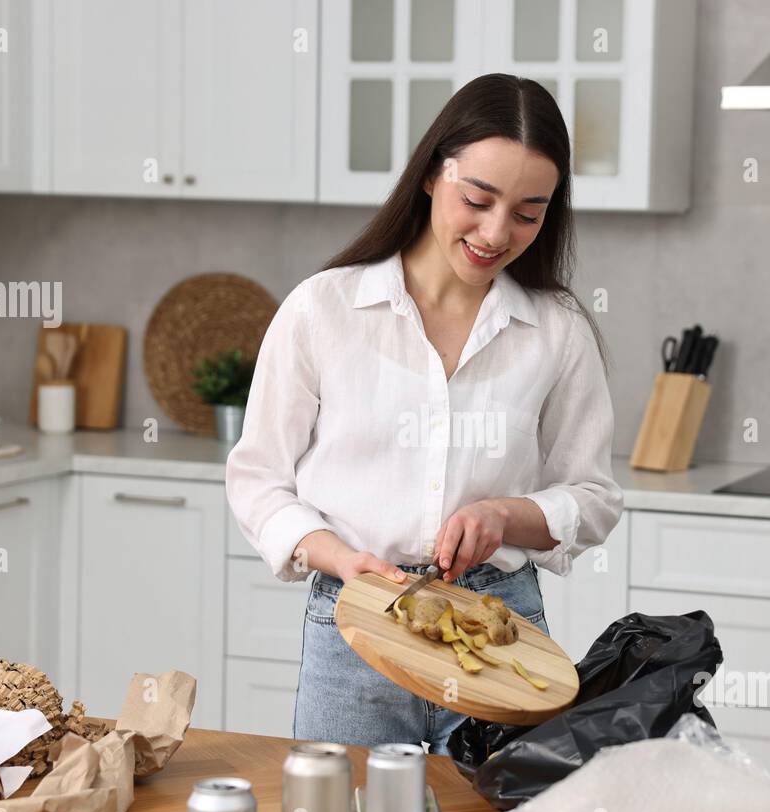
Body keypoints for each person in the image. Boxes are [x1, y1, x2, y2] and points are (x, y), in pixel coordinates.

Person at [226, 73, 622, 754]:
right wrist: (343, 560)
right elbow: (258, 479)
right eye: (479, 199)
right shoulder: (324, 310)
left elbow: (593, 498)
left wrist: (503, 516)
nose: (497, 232)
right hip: (359, 624)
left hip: (501, 633)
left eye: (529, 213)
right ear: (434, 175)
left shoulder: (556, 330)